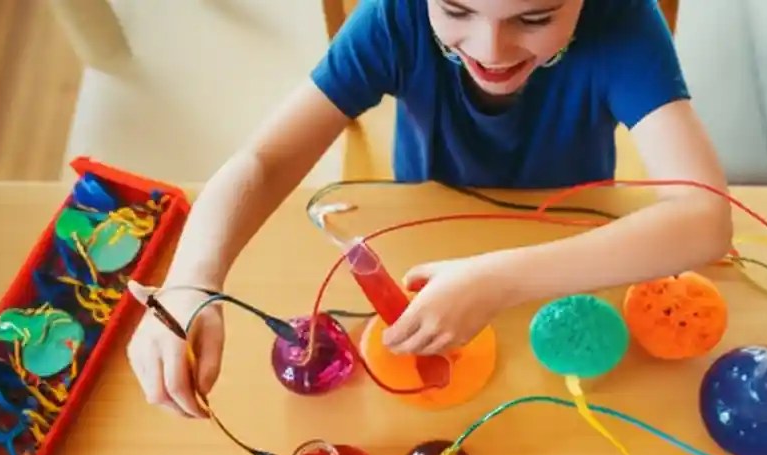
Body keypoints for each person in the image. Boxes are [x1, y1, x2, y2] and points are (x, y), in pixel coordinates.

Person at [128, 0, 733, 418]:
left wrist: (500, 279)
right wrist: (191, 279)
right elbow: (262, 162)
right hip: (430, 231)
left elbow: (706, 220)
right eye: (455, 10)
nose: (490, 49)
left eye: (535, 17)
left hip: (564, 248)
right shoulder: (395, 17)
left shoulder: (623, 21)